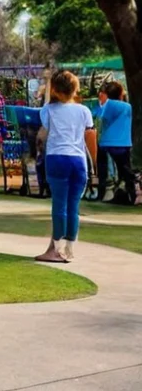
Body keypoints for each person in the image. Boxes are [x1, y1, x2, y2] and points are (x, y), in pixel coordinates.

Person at [37, 71, 96, 262]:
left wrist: (50, 93)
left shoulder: (47, 110)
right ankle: (70, 249)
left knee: (59, 204)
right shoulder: (84, 111)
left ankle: (55, 249)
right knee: (73, 206)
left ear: (54, 89)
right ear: (75, 88)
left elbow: (46, 128)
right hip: (78, 160)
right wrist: (94, 164)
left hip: (57, 158)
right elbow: (90, 135)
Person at [96, 80, 135, 204]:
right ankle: (129, 193)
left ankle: (104, 193)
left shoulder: (107, 105)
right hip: (124, 143)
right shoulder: (127, 106)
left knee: (106, 170)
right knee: (124, 169)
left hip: (107, 143)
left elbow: (99, 117)